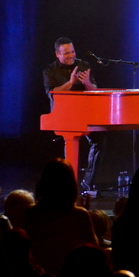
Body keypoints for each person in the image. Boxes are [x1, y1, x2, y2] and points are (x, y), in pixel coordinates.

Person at [43, 37, 102, 188]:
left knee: (100, 141)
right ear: (58, 54)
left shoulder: (83, 65)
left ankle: (88, 182)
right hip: (64, 114)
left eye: (73, 52)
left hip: (86, 112)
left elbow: (95, 91)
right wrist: (70, 83)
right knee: (71, 141)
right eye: (66, 53)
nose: (71, 55)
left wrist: (87, 83)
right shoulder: (50, 70)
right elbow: (52, 93)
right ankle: (69, 183)